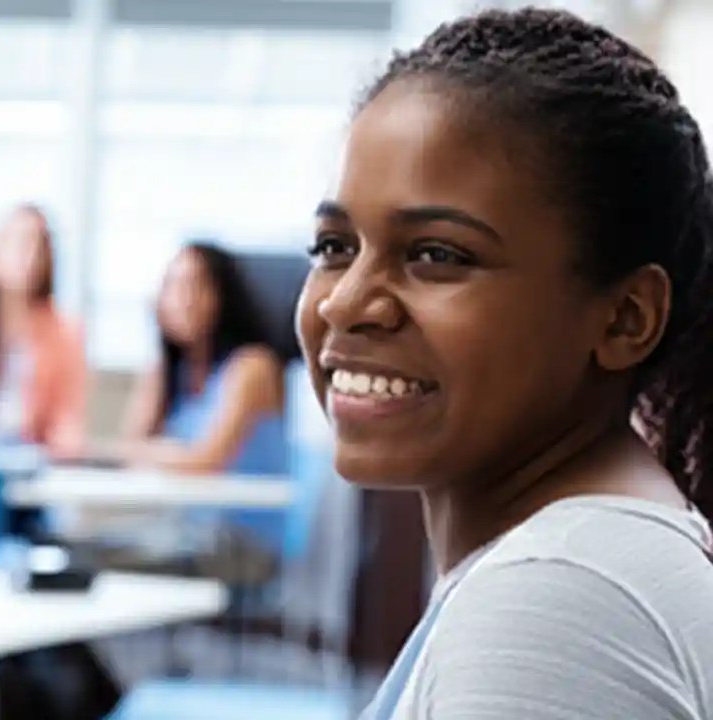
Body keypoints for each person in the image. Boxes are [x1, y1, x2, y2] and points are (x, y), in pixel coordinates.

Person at [296, 9, 713, 718]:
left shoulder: (557, 595)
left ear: (625, 318)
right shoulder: (586, 563)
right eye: (335, 246)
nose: (346, 302)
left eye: (437, 254)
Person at [118, 242, 287, 576]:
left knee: (94, 561)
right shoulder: (171, 372)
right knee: (71, 547)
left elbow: (206, 461)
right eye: (172, 285)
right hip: (185, 533)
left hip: (242, 543)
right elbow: (129, 447)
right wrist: (159, 366)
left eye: (195, 285)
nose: (183, 299)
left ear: (223, 296)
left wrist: (156, 453)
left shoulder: (251, 366)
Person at [0, 204, 87, 458]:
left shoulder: (64, 333)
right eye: (16, 242)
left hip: (29, 452)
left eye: (35, 246)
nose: (25, 255)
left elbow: (67, 417)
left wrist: (66, 440)